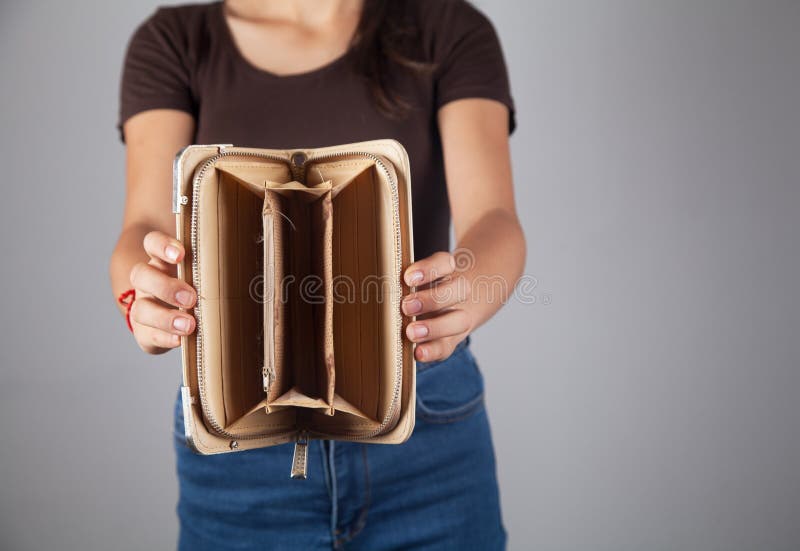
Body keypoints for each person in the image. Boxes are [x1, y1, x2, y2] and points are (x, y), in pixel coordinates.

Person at [109, 0, 525, 549]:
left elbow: (494, 219)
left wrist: (467, 289)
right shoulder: (174, 40)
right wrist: (140, 296)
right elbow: (143, 226)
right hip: (237, 436)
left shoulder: (449, 27)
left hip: (426, 420)